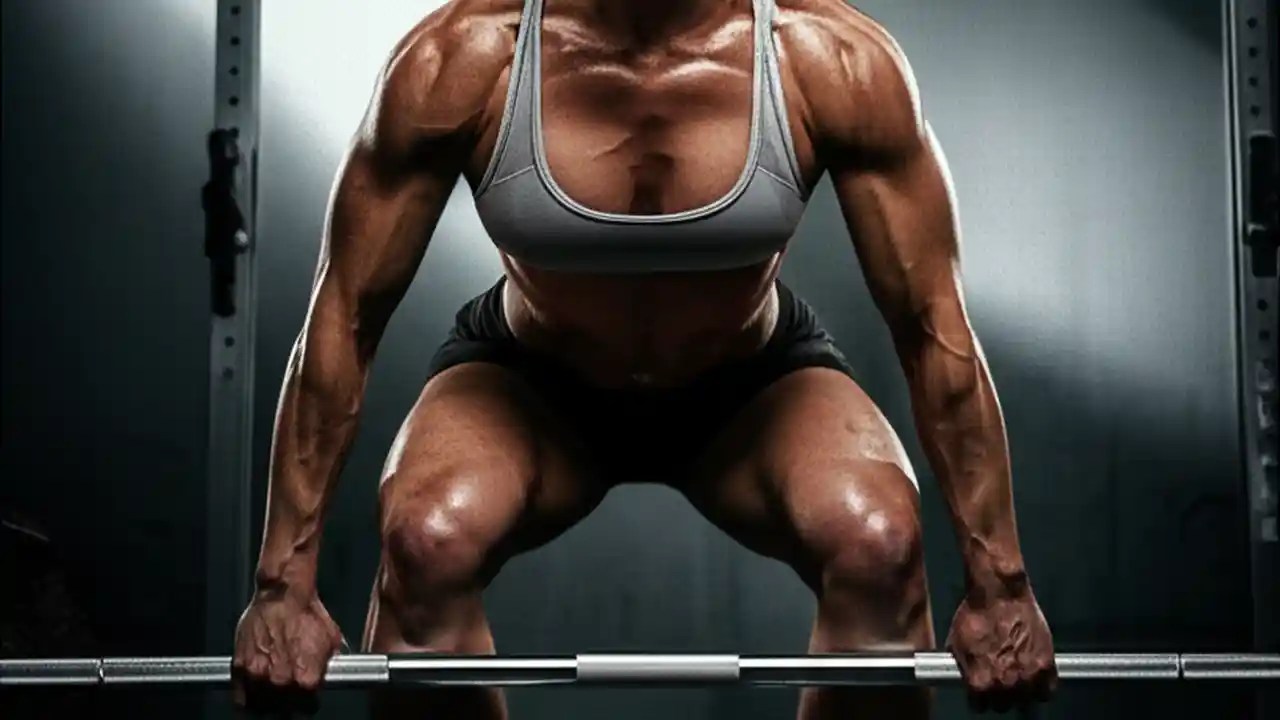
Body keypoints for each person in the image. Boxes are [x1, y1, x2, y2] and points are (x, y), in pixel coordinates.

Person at [231, 0, 1057, 717]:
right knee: (425, 538)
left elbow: (929, 323)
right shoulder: (463, 58)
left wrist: (1001, 585)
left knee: (878, 542)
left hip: (745, 386)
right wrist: (281, 588)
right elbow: (342, 316)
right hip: (536, 382)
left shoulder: (828, 59)